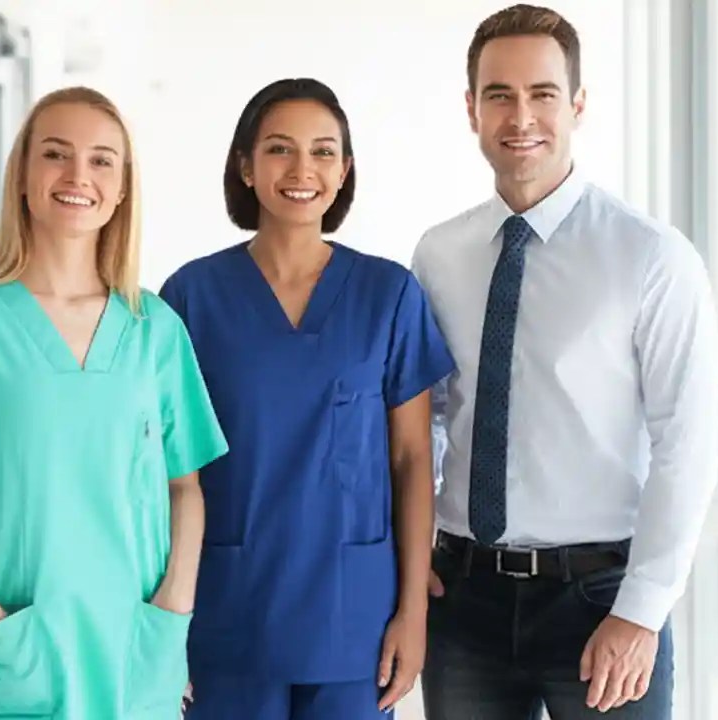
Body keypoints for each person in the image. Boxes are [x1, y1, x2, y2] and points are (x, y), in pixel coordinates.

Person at [0, 86, 228, 719]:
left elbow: (184, 487)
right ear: (22, 175)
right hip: (13, 651)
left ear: (122, 188)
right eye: (56, 154)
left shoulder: (155, 329)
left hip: (133, 653)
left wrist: (175, 608)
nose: (79, 175)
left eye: (101, 160)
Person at [413, 5, 718, 719]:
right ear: (471, 109)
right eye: (499, 95)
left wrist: (641, 611)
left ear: (577, 105)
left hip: (600, 599)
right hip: (464, 599)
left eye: (543, 93)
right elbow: (424, 419)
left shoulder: (650, 256)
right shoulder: (438, 254)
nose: (521, 116)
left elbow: (688, 442)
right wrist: (412, 555)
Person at [159, 78, 455, 720]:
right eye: (279, 149)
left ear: (345, 170)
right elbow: (166, 473)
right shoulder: (190, 297)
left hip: (355, 618)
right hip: (226, 611)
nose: (302, 170)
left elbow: (411, 461)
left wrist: (413, 611)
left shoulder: (388, 294)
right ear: (246, 166)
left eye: (323, 152)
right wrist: (164, 620)